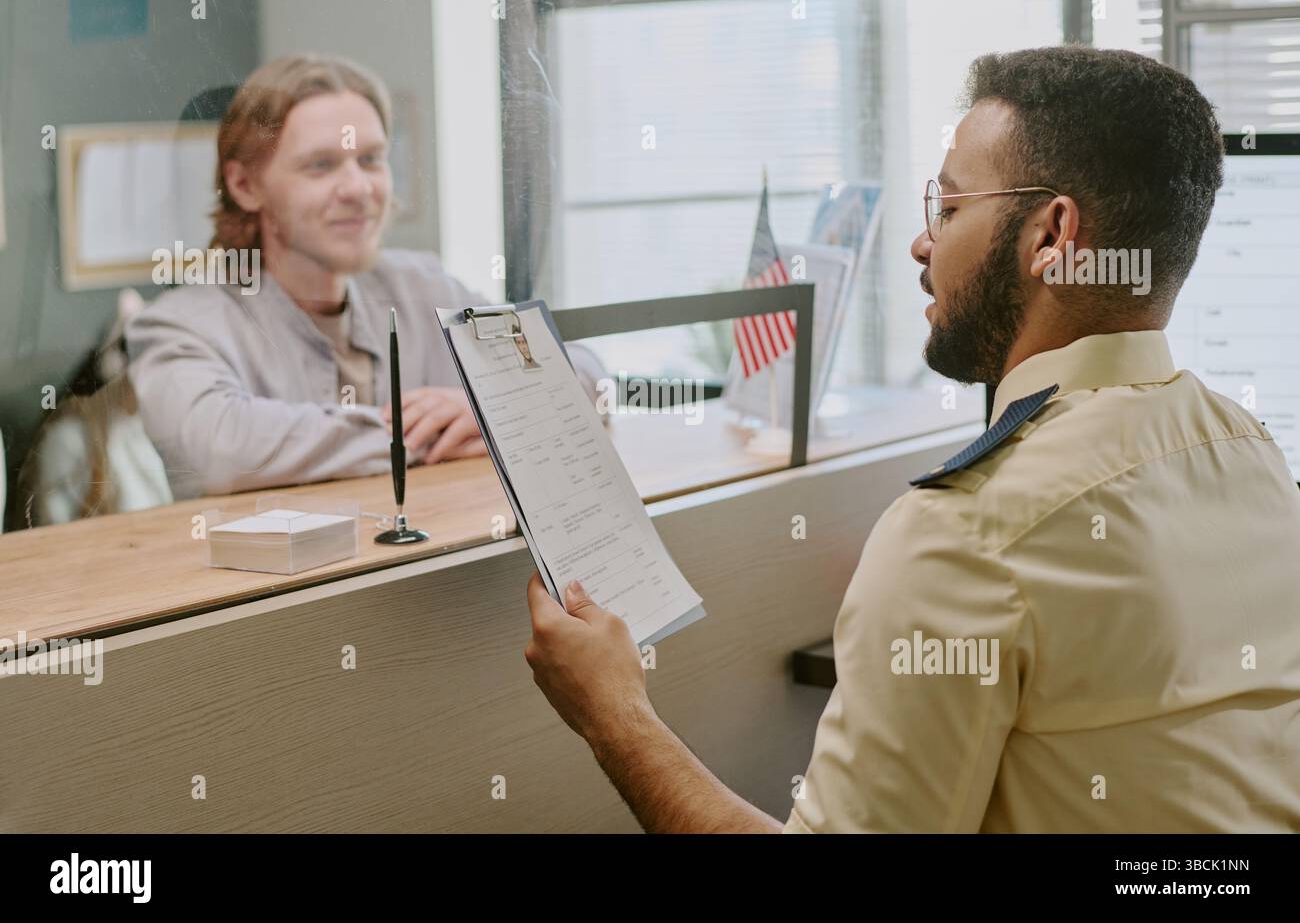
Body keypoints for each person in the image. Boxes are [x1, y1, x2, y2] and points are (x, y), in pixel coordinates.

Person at [520, 46, 1300, 832]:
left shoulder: (969, 533)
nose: (922, 245)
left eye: (952, 208)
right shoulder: (1253, 454)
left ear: (1051, 235)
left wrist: (614, 715)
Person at [127, 54, 605, 499]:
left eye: (371, 159)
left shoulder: (422, 287)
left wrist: (493, 404)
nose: (358, 188)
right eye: (321, 165)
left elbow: (585, 376)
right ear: (245, 186)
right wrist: (488, 417)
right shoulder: (180, 326)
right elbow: (220, 451)